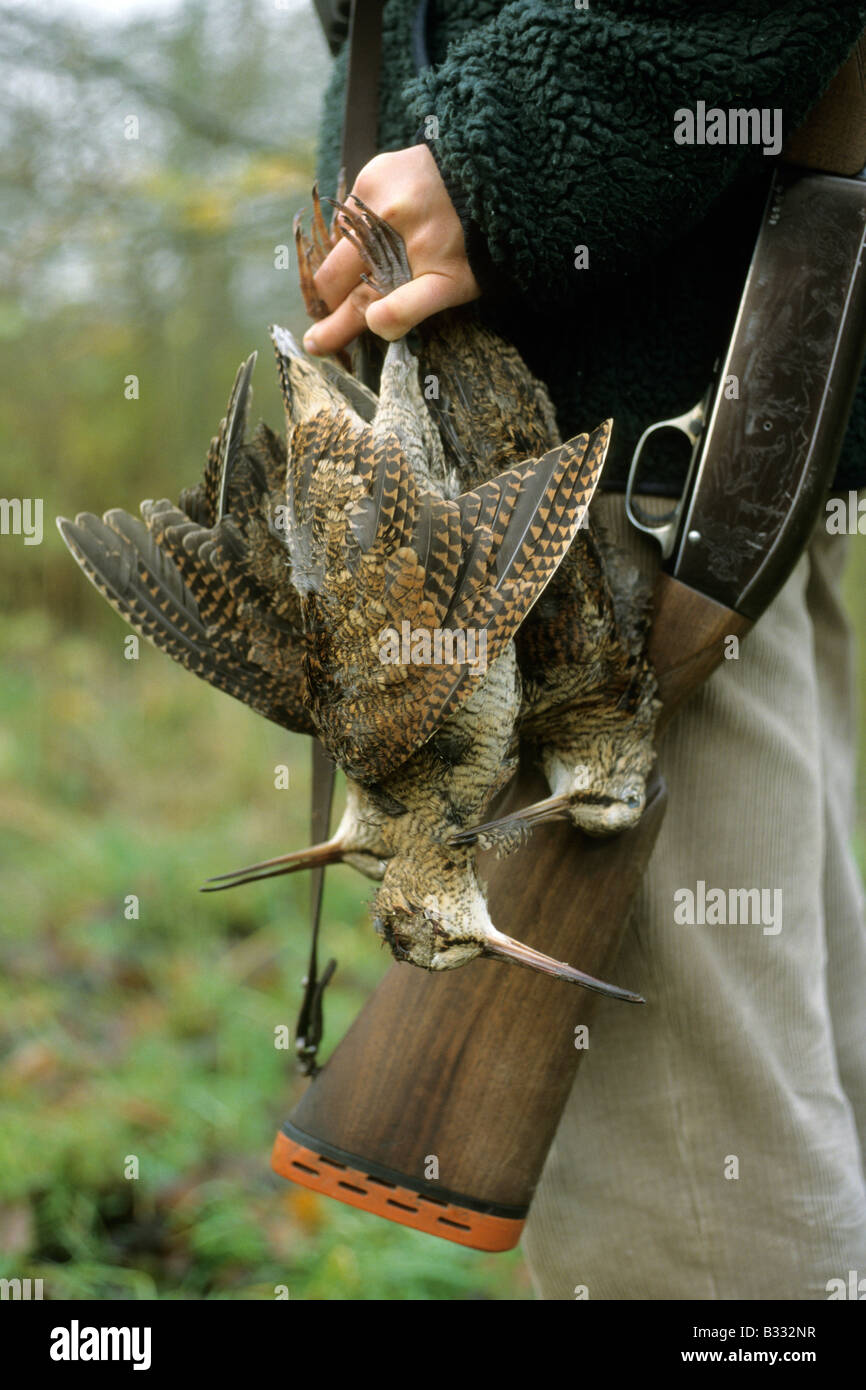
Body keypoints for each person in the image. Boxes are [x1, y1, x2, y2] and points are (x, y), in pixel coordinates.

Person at [309, 0, 866, 1299]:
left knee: (687, 1209)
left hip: (639, 493)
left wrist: (493, 156)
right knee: (785, 1081)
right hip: (634, 455)